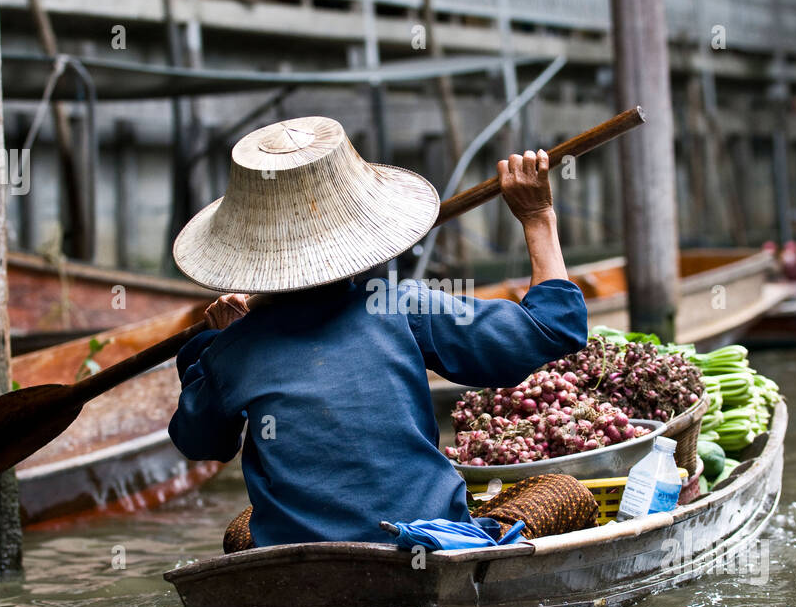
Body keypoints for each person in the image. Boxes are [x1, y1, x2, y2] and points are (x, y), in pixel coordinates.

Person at [167, 115, 598, 553]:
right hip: (422, 544)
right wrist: (538, 217)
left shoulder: (234, 351)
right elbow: (551, 329)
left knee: (242, 530)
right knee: (566, 492)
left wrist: (213, 346)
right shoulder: (400, 306)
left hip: (303, 560)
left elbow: (201, 442)